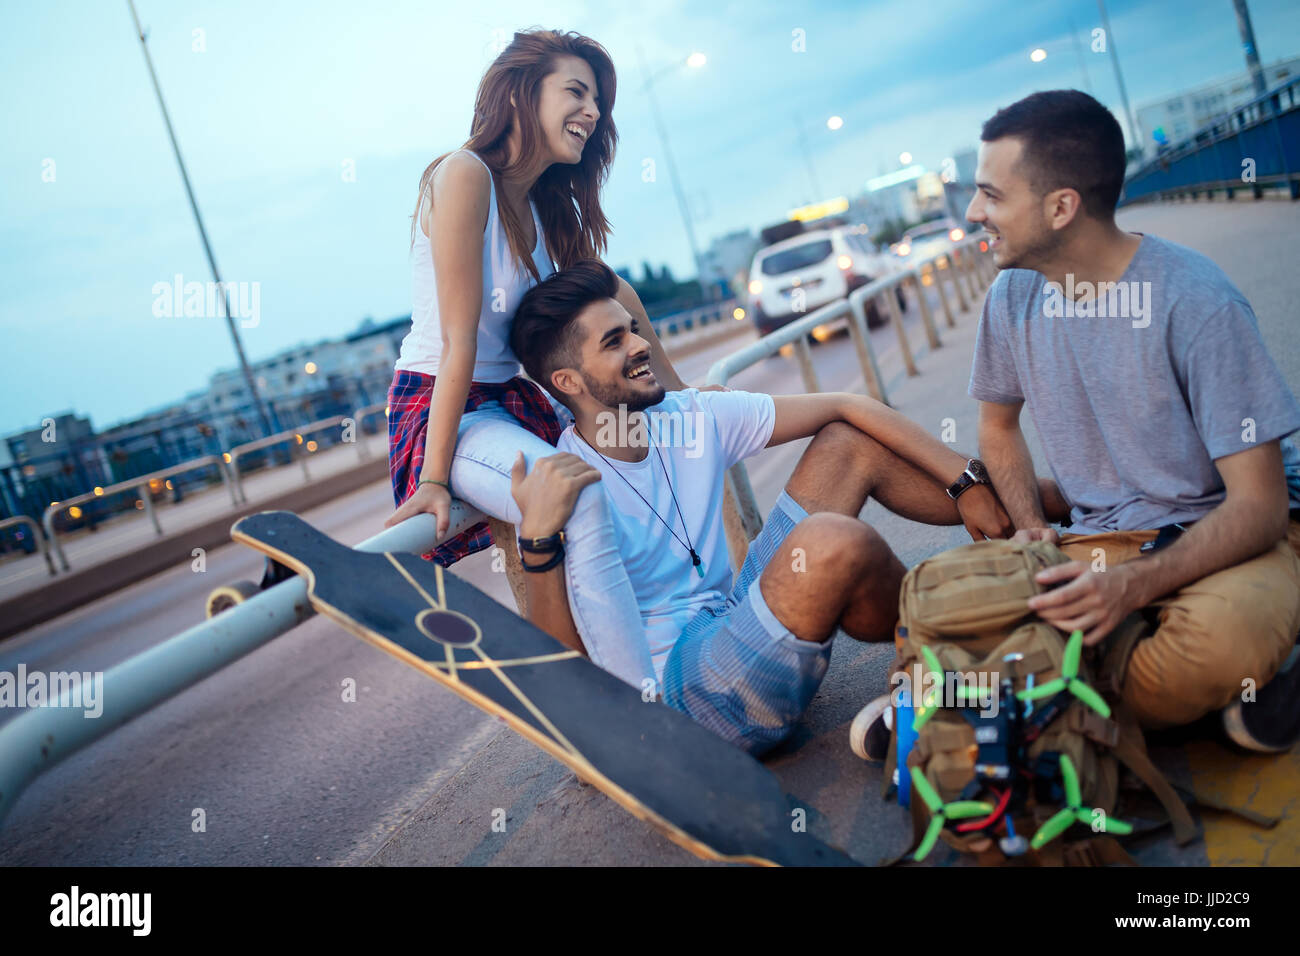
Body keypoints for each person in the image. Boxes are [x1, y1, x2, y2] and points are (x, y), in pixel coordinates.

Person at [502, 259, 1013, 754]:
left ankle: (1038, 525)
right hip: (693, 694)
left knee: (844, 444)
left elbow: (846, 406)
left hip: (732, 618)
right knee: (830, 543)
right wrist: (537, 542)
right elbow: (560, 672)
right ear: (568, 381)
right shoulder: (566, 484)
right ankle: (942, 661)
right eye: (615, 342)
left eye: (632, 329)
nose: (641, 346)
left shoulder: (687, 416)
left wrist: (968, 482)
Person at [964, 89, 1300, 751]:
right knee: (942, 621)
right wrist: (1032, 530)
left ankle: (1005, 712)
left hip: (1221, 535)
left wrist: (1128, 589)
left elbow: (1259, 507)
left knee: (1214, 649)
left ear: (1061, 207)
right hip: (1098, 539)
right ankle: (1033, 702)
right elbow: (998, 428)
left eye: (991, 196)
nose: (974, 213)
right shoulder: (1011, 296)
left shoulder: (1197, 302)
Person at [384, 29, 696, 685]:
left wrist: (678, 392)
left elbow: (611, 290)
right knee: (571, 492)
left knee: (658, 444)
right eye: (575, 92)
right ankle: (634, 710)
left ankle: (684, 635)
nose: (591, 112)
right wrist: (433, 479)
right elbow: (460, 342)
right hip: (449, 403)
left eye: (598, 104)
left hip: (515, 404)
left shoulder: (543, 203)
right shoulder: (464, 174)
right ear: (522, 93)